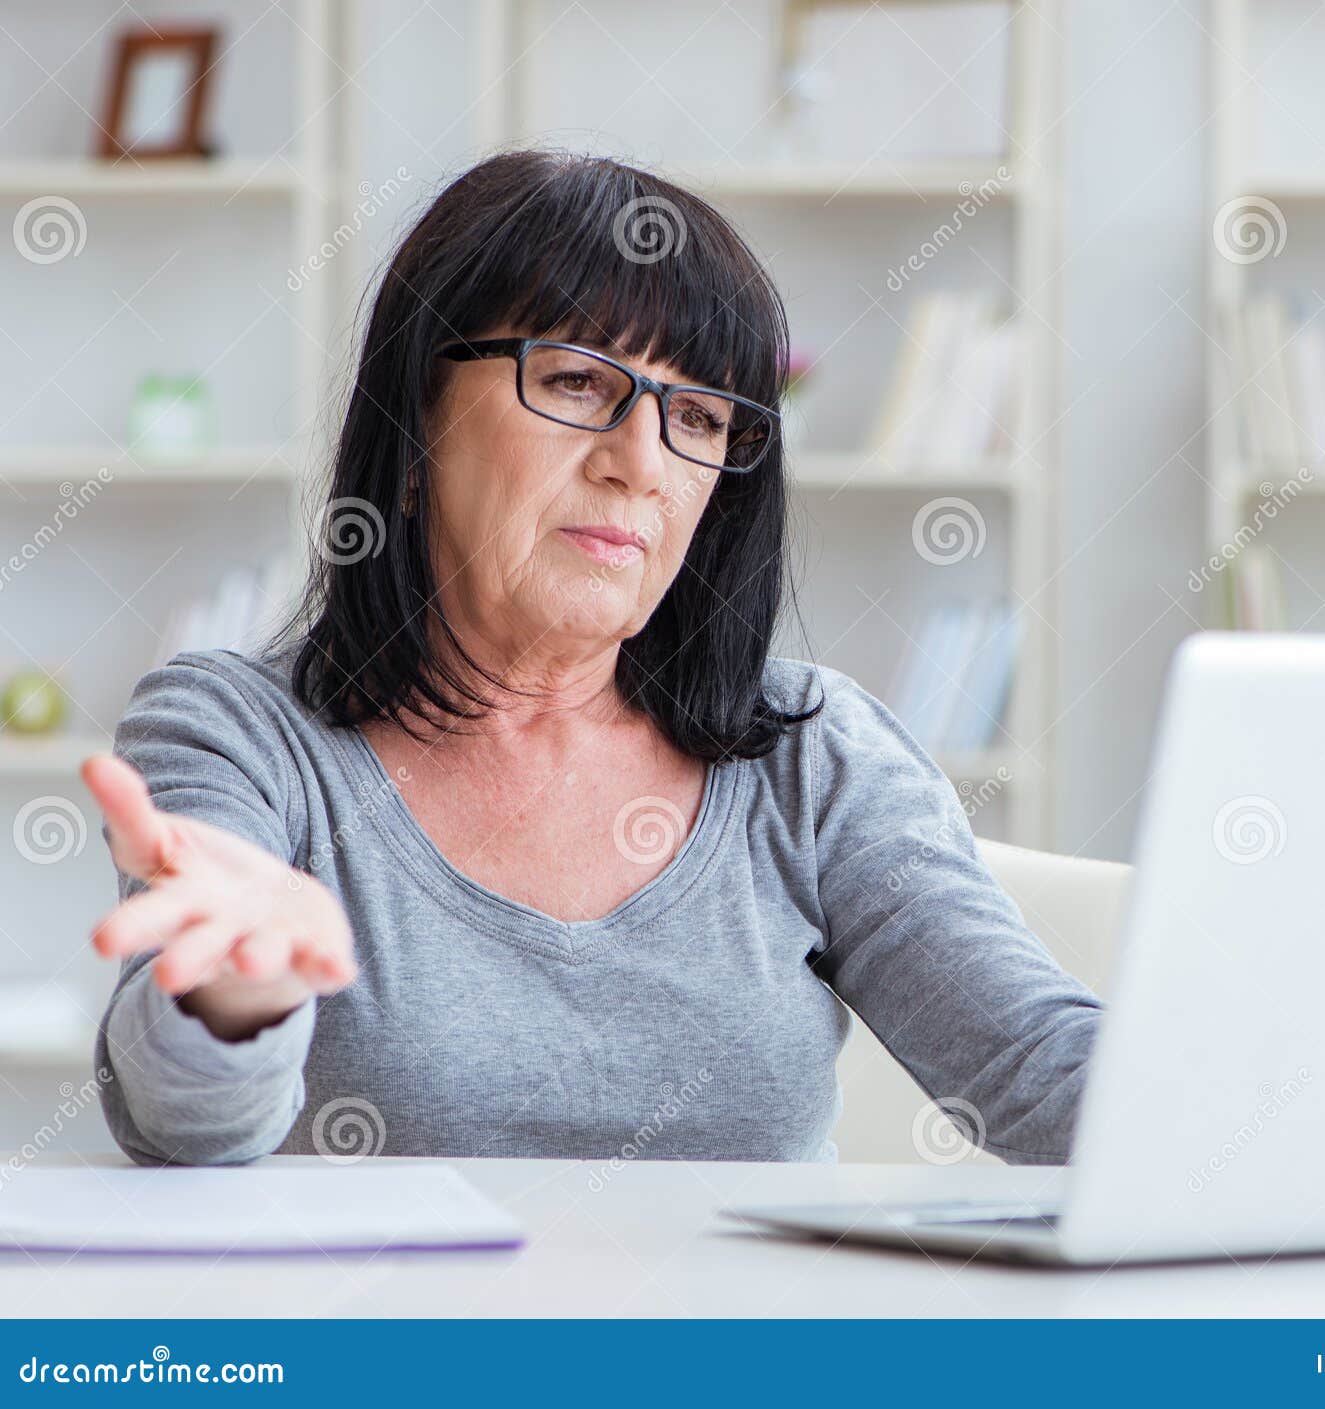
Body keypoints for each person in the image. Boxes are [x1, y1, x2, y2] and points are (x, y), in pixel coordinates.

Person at [85, 149, 1102, 1167]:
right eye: (575, 380)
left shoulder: (813, 755)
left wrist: (1249, 1065)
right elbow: (184, 1128)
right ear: (413, 422)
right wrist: (232, 994)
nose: (644, 465)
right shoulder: (238, 733)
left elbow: (1045, 1073)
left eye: (699, 414)